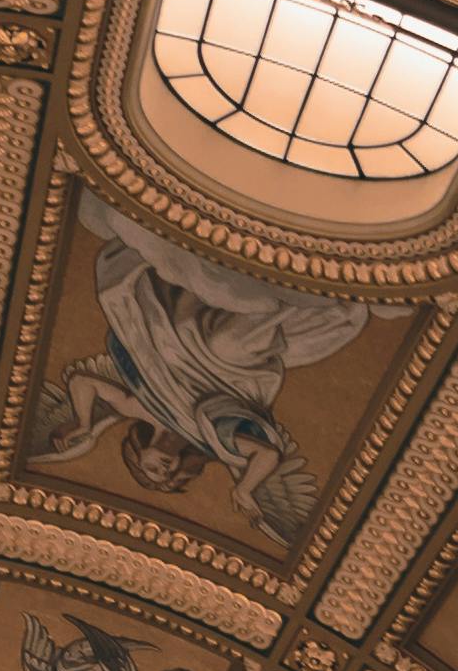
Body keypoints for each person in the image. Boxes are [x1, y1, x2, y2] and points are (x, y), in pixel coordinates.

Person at [31, 190, 368, 545]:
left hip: (178, 346)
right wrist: (245, 490)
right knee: (229, 344)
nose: (161, 469)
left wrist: (83, 422)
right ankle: (291, 287)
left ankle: (234, 270)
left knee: (126, 297)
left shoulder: (142, 410)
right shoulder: (214, 442)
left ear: (138, 452)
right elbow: (267, 454)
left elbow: (85, 382)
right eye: (166, 474)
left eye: (150, 469)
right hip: (236, 374)